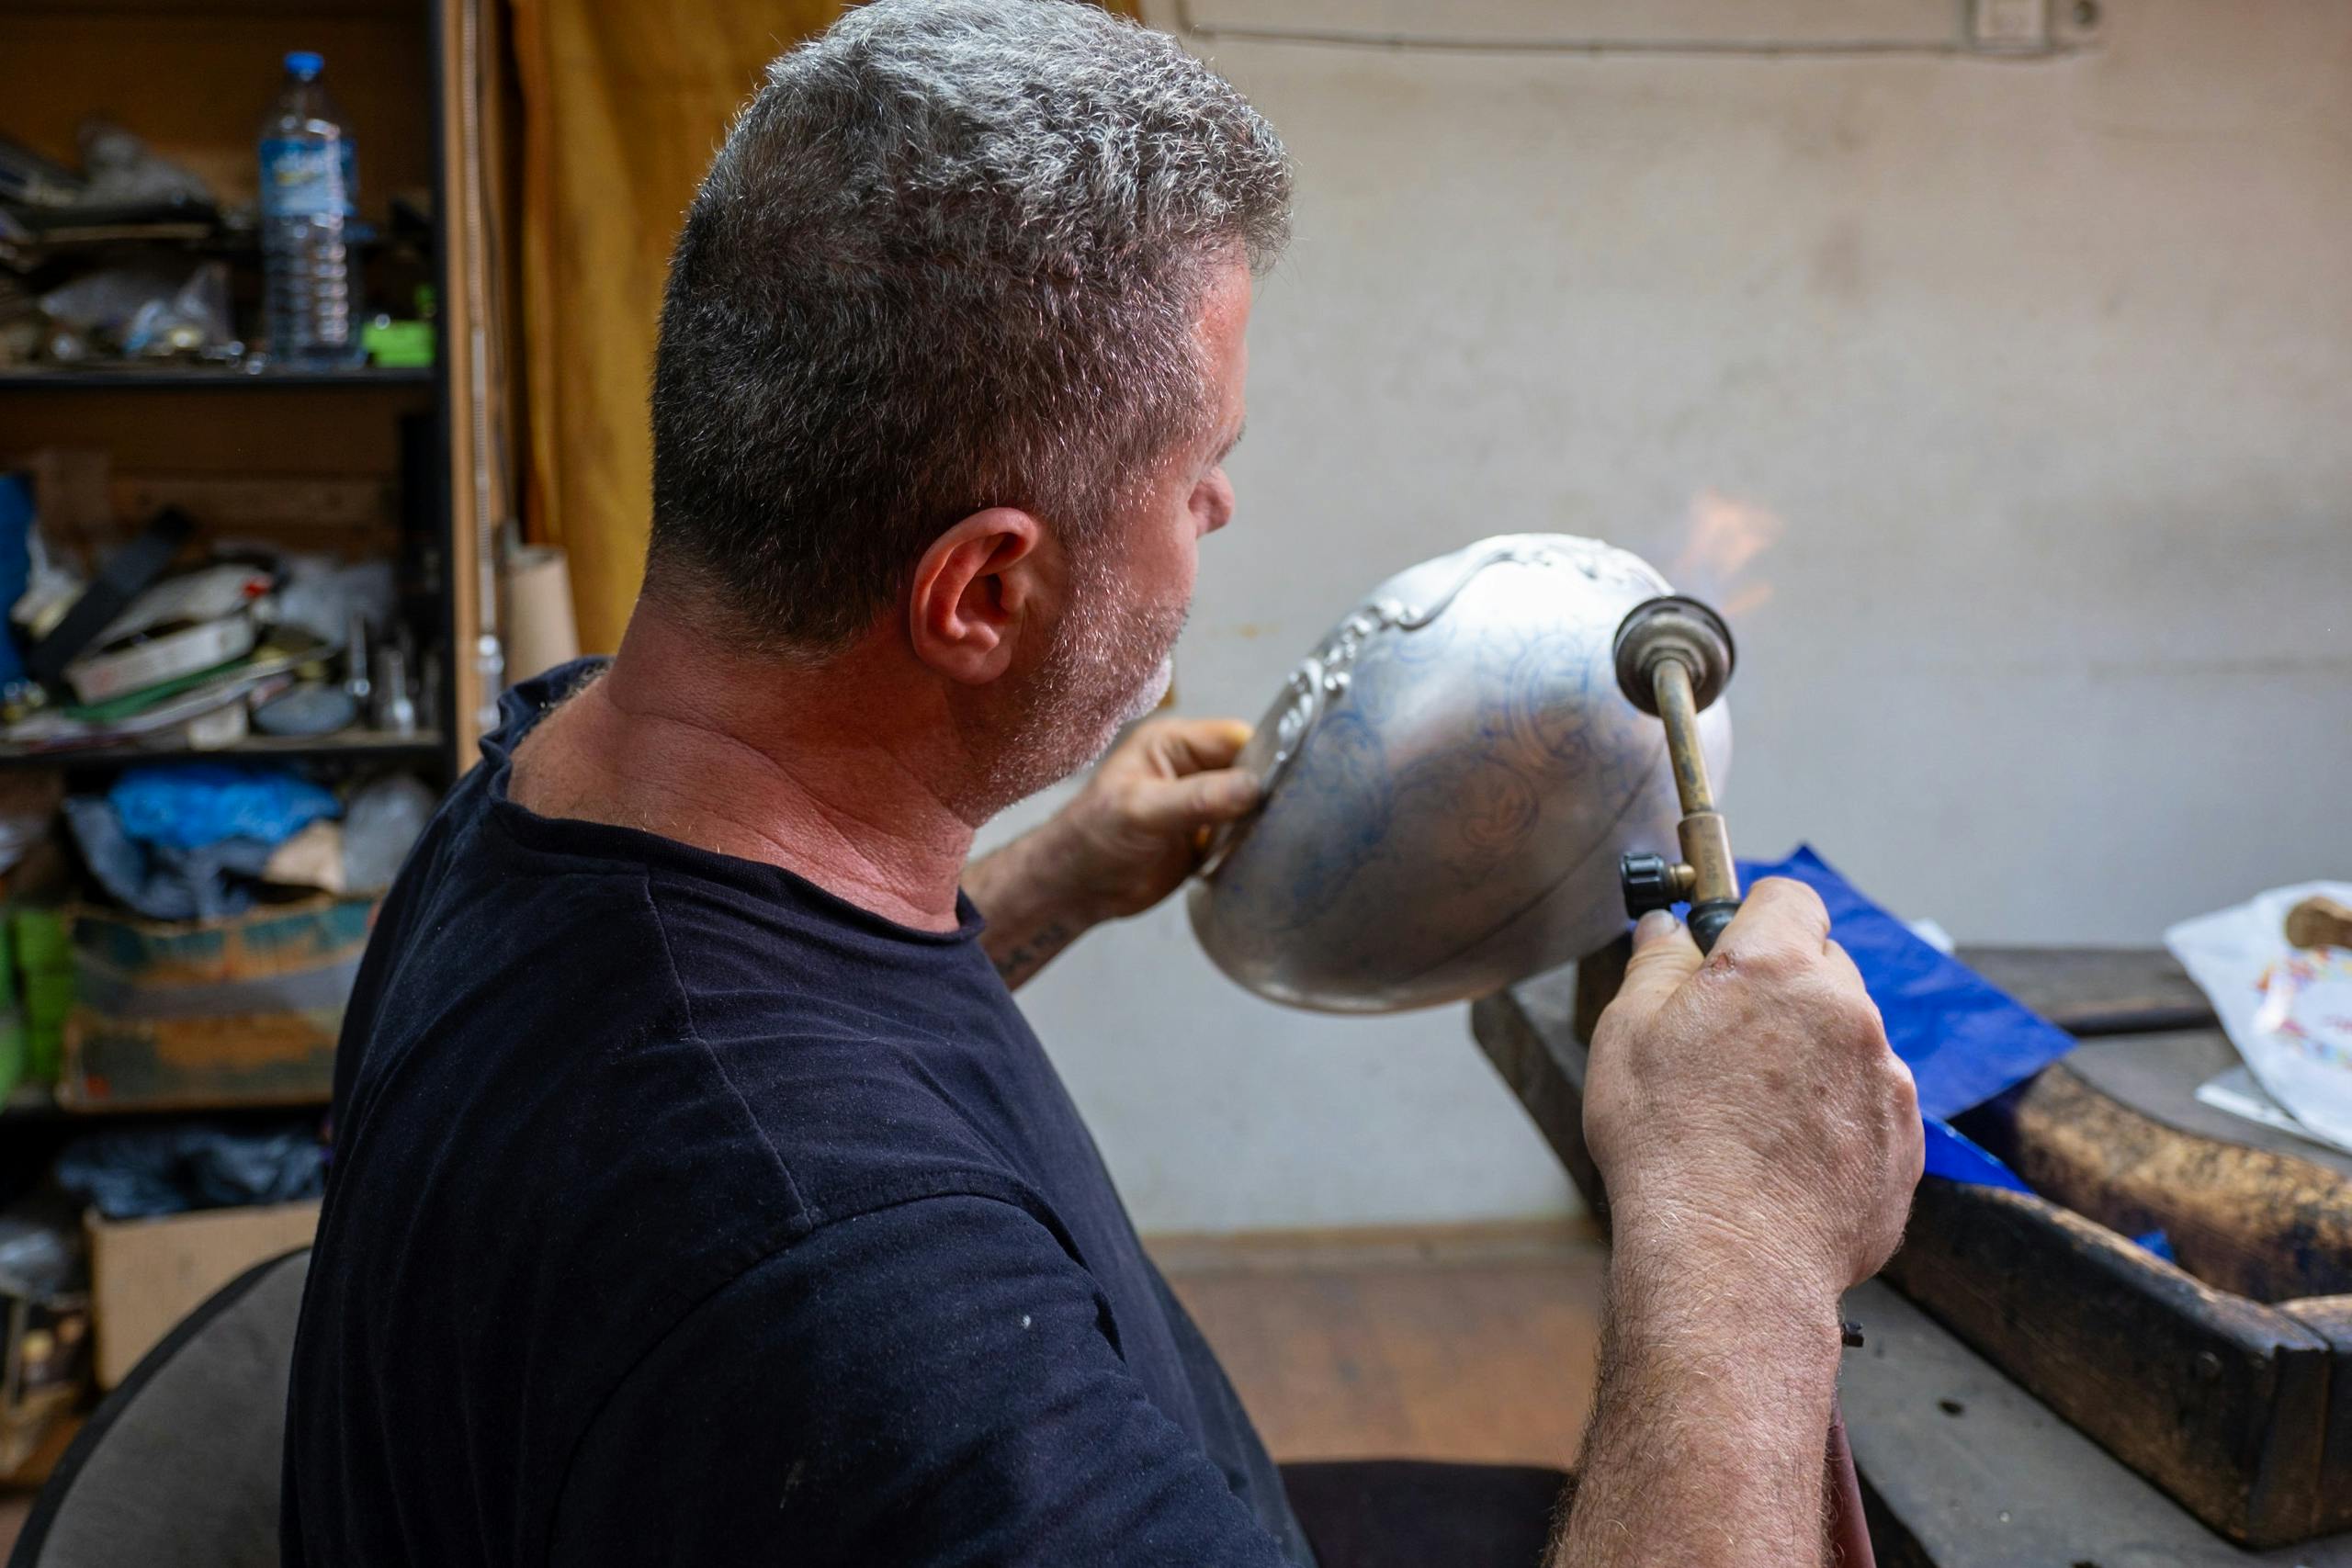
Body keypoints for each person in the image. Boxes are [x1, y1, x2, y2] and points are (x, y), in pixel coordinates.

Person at [281, 3, 1923, 1564]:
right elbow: (790, 1188)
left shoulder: (552, 786)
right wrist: (1739, 1242)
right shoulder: (863, 1312)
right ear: (984, 595)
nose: (1216, 517)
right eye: (1202, 469)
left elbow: (778, 1038)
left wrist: (1054, 876)